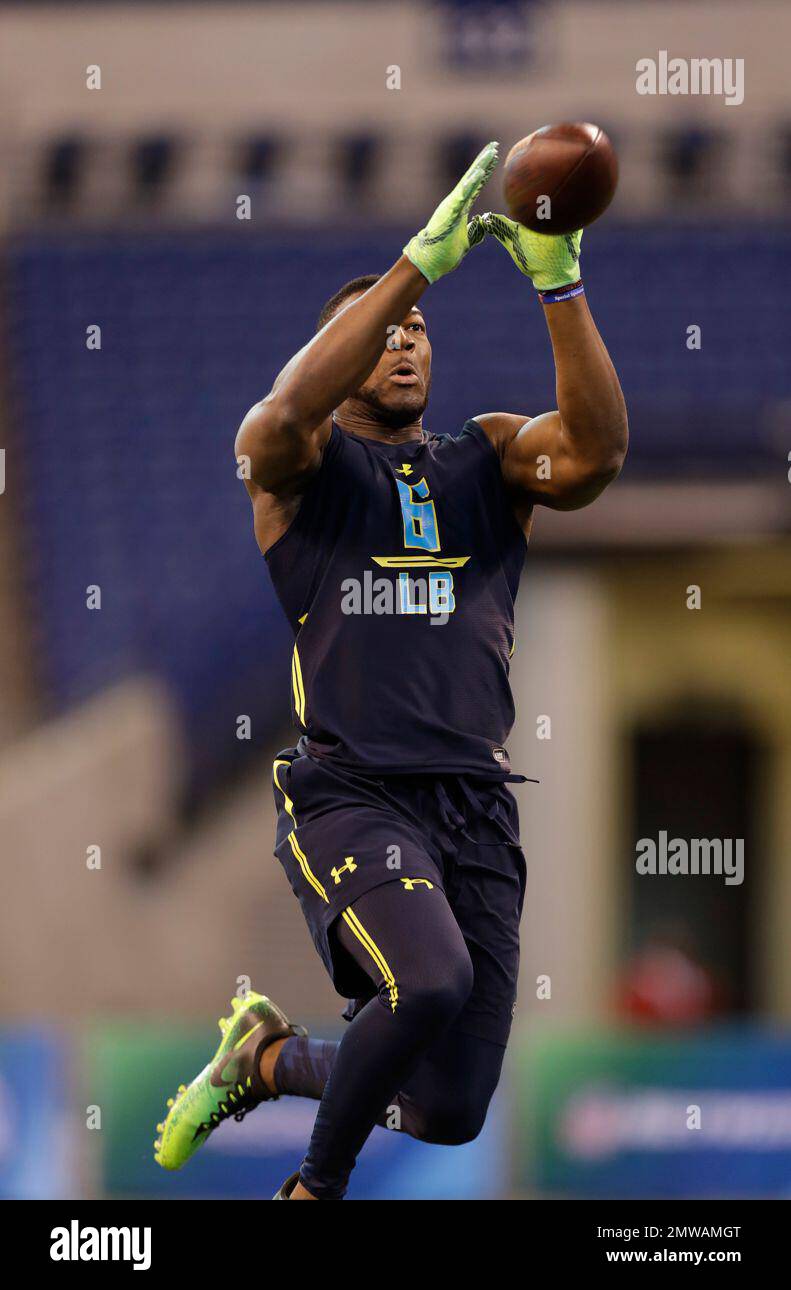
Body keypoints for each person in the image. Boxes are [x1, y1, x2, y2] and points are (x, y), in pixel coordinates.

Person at [154, 142, 628, 1199]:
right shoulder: (300, 471)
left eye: (419, 328)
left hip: (474, 803)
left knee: (454, 1110)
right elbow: (278, 416)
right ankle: (313, 1189)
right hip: (351, 795)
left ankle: (265, 1061)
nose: (407, 339)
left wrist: (556, 276)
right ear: (340, 346)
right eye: (384, 329)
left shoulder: (489, 457)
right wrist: (419, 263)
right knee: (429, 980)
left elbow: (593, 457)